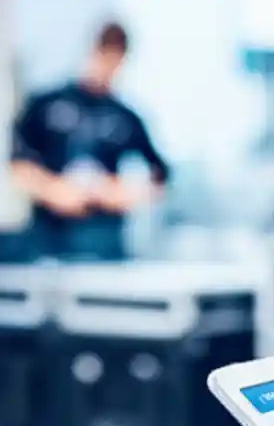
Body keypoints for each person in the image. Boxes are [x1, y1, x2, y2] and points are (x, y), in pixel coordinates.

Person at [11, 21, 169, 262]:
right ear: (92, 50)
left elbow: (160, 179)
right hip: (49, 238)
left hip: (105, 239)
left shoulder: (125, 117)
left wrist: (119, 192)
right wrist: (52, 189)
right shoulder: (45, 105)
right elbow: (16, 163)